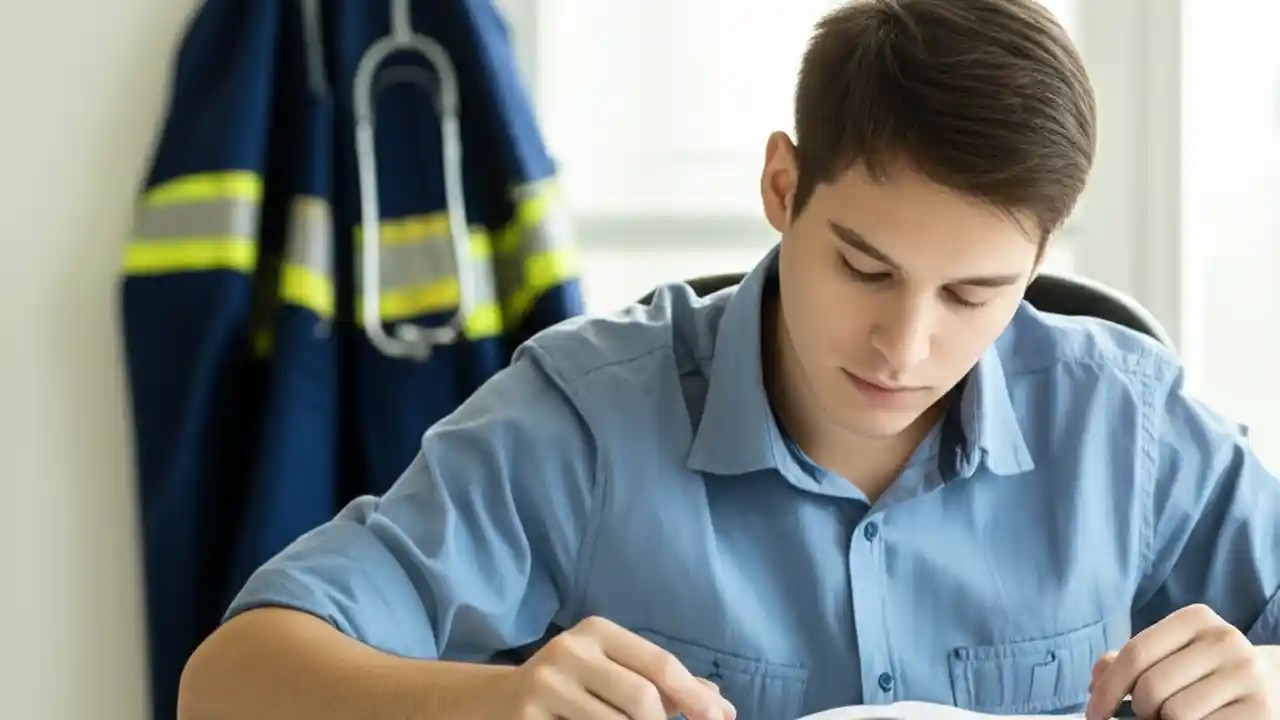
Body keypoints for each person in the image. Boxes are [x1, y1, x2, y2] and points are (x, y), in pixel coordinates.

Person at [176, 1, 1280, 718]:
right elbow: (226, 682)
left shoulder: (1124, 422)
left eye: (973, 294)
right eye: (862, 267)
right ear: (780, 188)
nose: (906, 345)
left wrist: (1265, 682)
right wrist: (489, 705)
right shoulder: (582, 420)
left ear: (1039, 256)